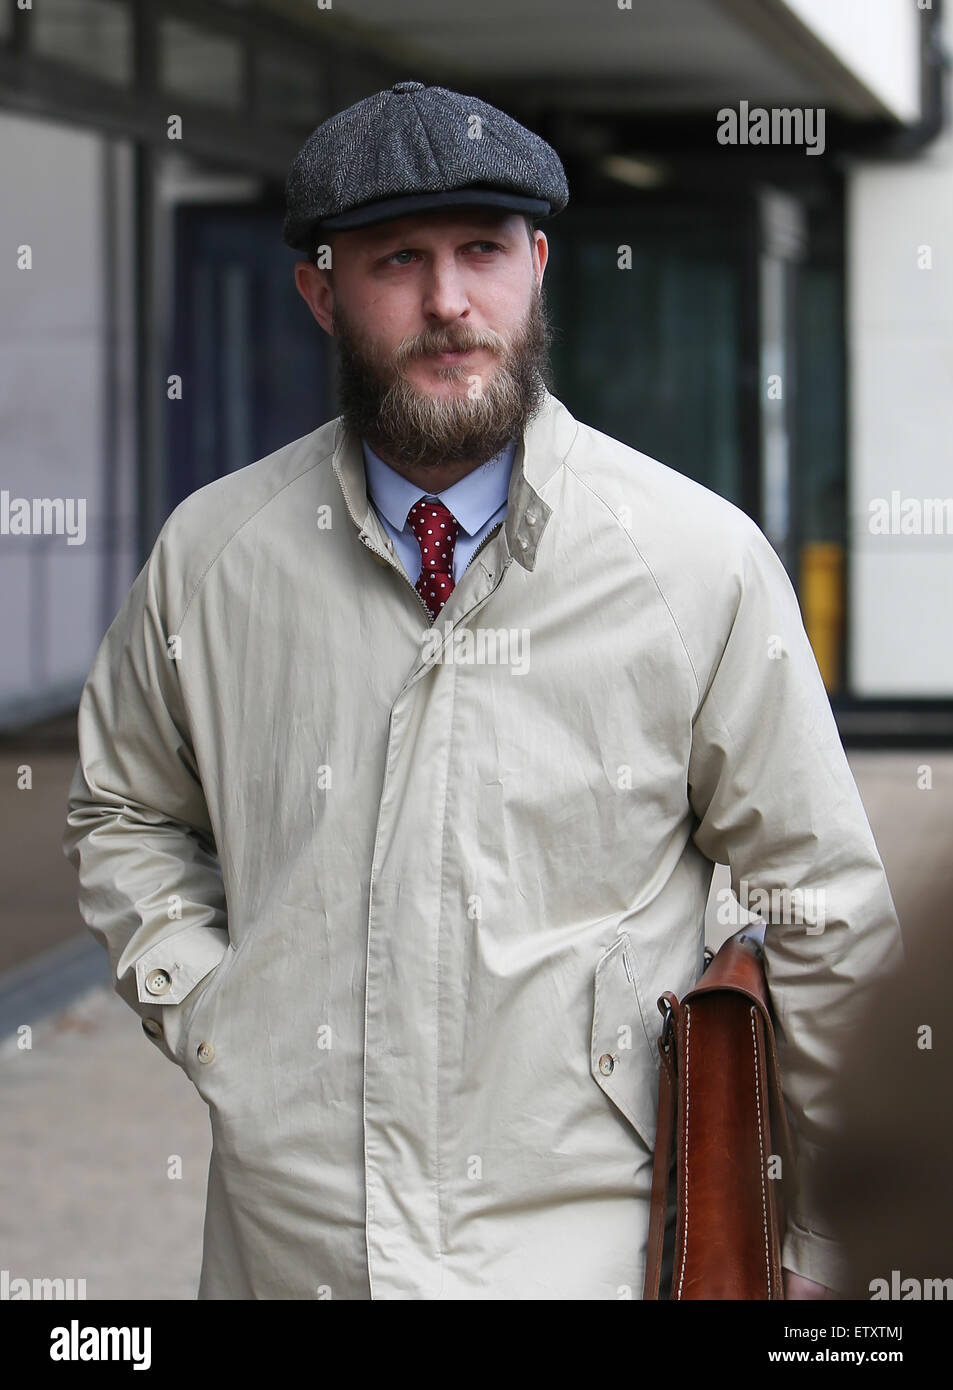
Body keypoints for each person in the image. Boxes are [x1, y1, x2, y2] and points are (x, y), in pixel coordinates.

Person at [63, 80, 902, 1300]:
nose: (448, 302)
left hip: (591, 1254)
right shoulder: (213, 557)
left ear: (538, 264)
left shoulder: (692, 561)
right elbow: (124, 812)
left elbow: (819, 903)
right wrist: (212, 1011)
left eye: (481, 251)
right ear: (320, 290)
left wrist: (842, 1248)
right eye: (398, 259)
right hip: (295, 1253)